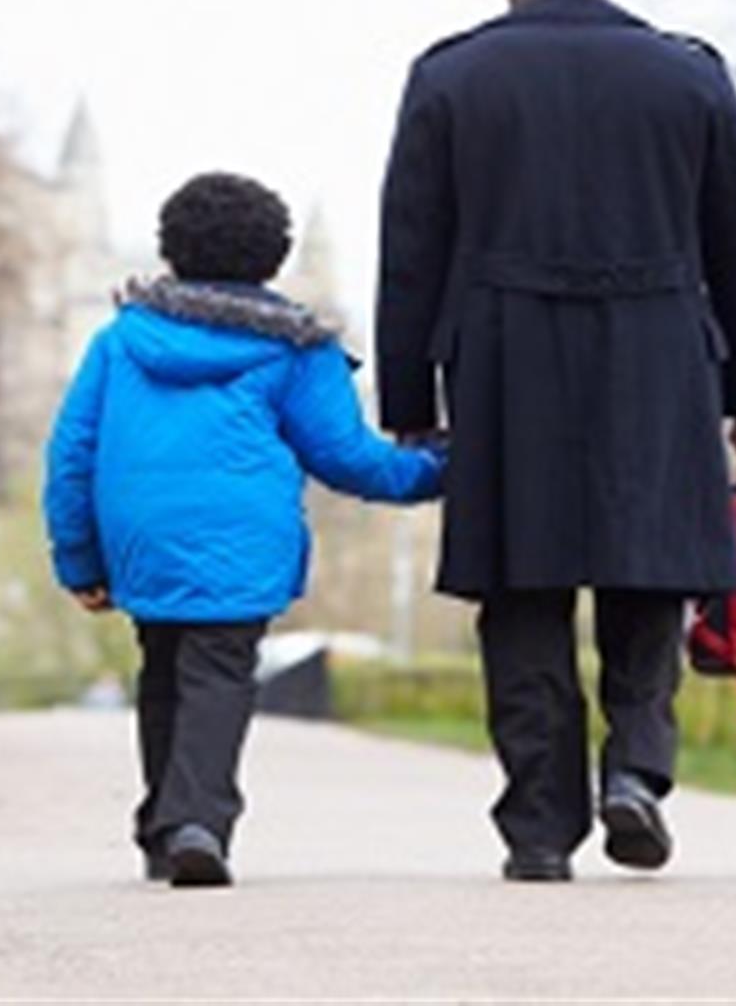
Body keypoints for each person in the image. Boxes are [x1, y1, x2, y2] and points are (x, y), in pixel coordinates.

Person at [376, 0, 736, 882]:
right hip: (659, 354)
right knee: (650, 577)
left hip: (503, 360)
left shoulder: (450, 75)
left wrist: (409, 403)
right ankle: (636, 778)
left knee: (520, 593)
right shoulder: (689, 73)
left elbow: (411, 251)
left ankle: (537, 828)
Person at [44, 172, 446, 888]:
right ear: (275, 255)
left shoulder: (121, 339)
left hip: (140, 533)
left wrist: (79, 559)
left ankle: (162, 827)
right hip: (241, 534)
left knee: (163, 663)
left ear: (171, 249)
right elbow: (349, 460)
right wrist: (443, 466)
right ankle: (198, 820)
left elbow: (72, 452)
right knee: (220, 669)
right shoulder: (295, 347)